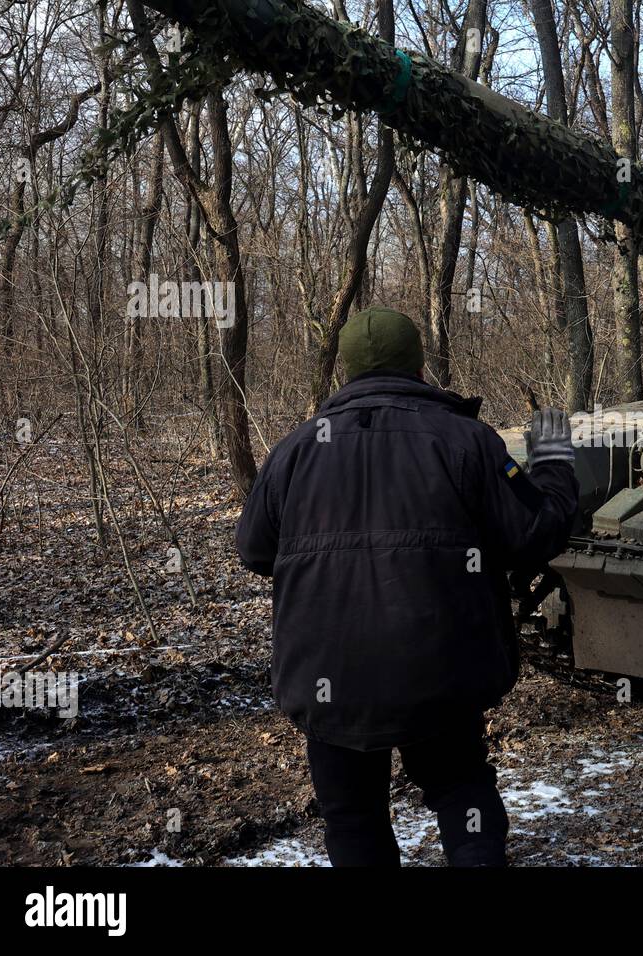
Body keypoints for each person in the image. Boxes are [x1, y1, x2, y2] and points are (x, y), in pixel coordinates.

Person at [235, 307, 580, 867]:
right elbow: (534, 533)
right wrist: (554, 458)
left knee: (352, 816)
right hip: (437, 670)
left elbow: (253, 549)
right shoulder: (465, 440)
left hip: (330, 674)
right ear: (418, 365)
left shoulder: (296, 450)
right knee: (461, 792)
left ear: (345, 371)